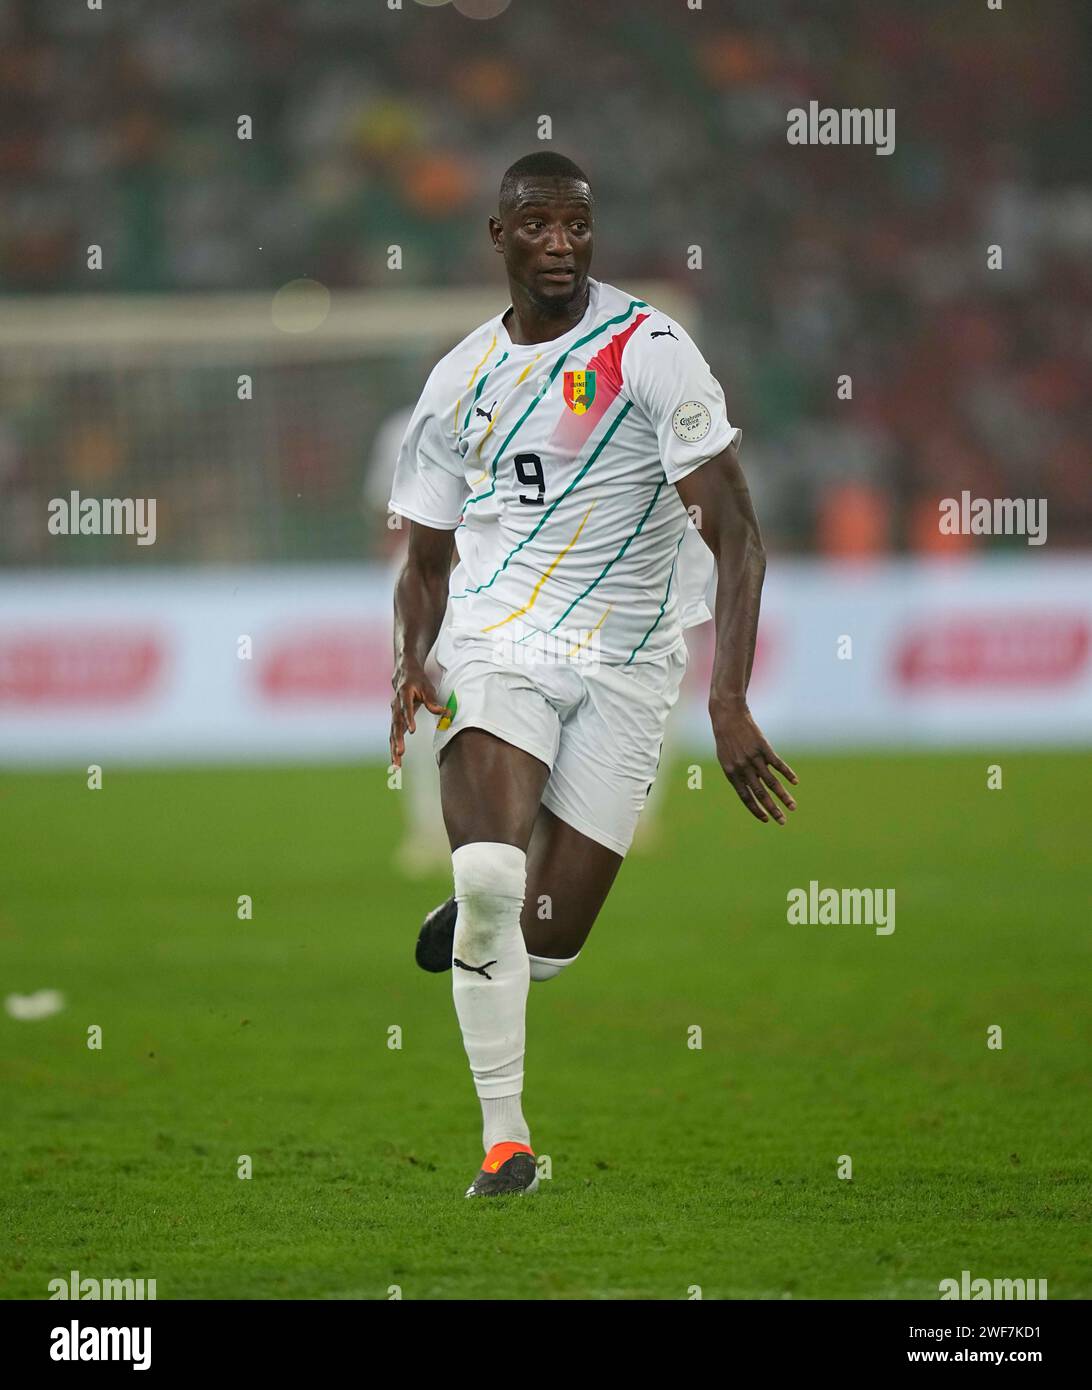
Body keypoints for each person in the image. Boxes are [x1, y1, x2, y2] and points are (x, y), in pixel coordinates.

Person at [388, 151, 797, 1199]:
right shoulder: (458, 382)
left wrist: (729, 696)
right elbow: (426, 559)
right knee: (486, 874)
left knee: (548, 943)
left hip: (631, 664)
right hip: (500, 642)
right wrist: (411, 657)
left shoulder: (648, 349)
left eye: (578, 225)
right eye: (538, 225)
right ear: (499, 237)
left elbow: (737, 534)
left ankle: (486, 918)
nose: (561, 244)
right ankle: (505, 1142)